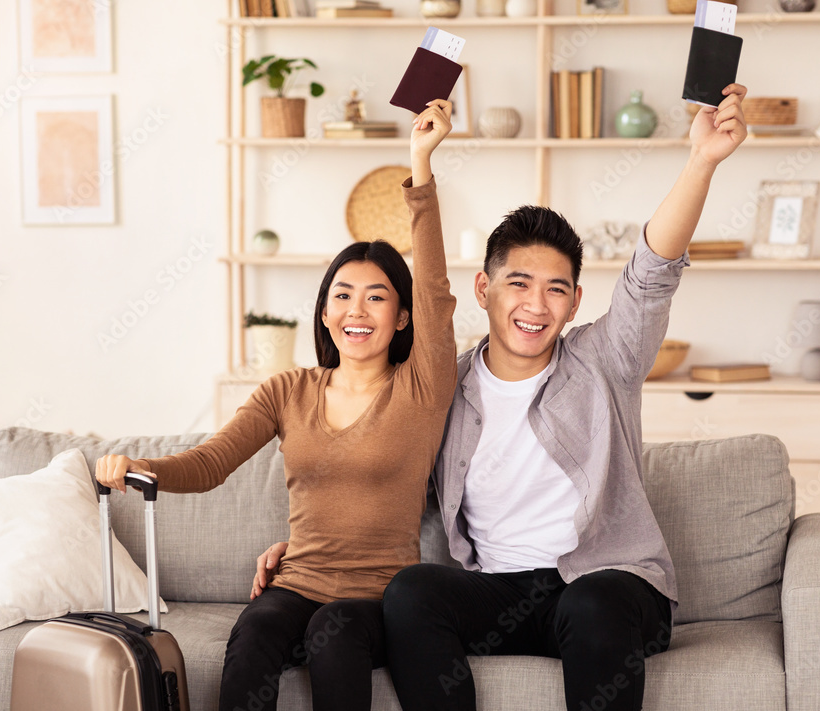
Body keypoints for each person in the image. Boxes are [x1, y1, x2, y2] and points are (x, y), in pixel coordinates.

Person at [255, 84, 749, 711]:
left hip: (608, 589)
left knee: (592, 598)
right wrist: (307, 547)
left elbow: (650, 274)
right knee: (413, 591)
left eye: (556, 290)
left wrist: (701, 161)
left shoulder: (605, 360)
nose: (536, 306)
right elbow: (383, 477)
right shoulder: (442, 389)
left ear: (574, 301)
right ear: (484, 289)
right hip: (501, 595)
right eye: (519, 283)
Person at [95, 99, 458, 711]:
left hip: (376, 600)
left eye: (377, 298)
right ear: (323, 312)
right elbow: (212, 463)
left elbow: (437, 291)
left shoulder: (421, 388)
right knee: (256, 632)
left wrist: (420, 167)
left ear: (401, 319)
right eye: (343, 295)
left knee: (332, 633)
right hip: (295, 584)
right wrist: (142, 467)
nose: (357, 311)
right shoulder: (286, 391)